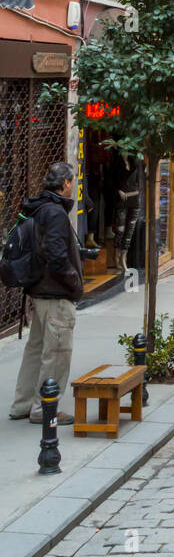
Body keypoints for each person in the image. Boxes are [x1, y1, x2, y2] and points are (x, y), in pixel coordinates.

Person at [8, 162, 83, 426]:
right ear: (65, 184)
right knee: (57, 353)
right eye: (72, 181)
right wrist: (73, 282)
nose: (73, 185)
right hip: (55, 294)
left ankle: (23, 404)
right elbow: (56, 254)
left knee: (35, 350)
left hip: (39, 291)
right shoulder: (55, 213)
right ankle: (44, 409)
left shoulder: (38, 207)